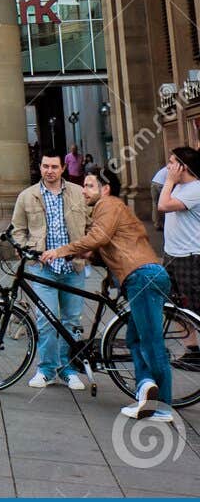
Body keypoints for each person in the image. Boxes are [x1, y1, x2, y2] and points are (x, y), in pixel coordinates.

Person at [42, 168, 175, 420]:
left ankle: (162, 407)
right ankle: (147, 388)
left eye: (90, 185)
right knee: (136, 340)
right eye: (84, 185)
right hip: (141, 277)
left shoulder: (109, 204)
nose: (84, 190)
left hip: (142, 277)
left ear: (105, 189)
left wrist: (60, 251)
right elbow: (110, 245)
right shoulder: (110, 209)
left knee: (151, 343)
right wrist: (86, 255)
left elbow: (98, 237)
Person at [9, 152, 89, 390]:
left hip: (73, 268)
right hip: (43, 269)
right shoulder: (27, 196)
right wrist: (25, 251)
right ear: (40, 167)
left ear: (63, 168)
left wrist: (87, 250)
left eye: (54, 166)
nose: (49, 171)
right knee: (46, 320)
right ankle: (46, 369)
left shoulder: (78, 193)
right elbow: (18, 229)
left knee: (72, 320)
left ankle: (68, 369)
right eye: (45, 166)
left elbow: (91, 225)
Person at [155, 148, 200, 369]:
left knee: (194, 307)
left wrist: (170, 181)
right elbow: (157, 181)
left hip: (190, 256)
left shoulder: (195, 188)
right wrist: (171, 180)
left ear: (184, 166)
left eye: (173, 162)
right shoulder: (178, 186)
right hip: (172, 254)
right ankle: (192, 350)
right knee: (173, 305)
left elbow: (162, 206)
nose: (168, 166)